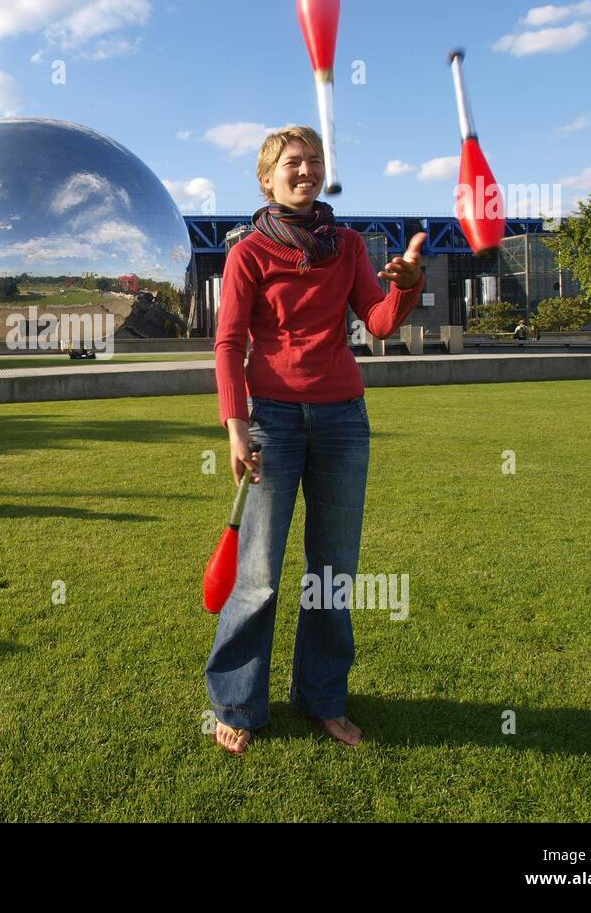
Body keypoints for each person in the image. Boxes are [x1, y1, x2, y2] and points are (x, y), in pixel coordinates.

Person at [207, 126, 425, 755]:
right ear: (267, 178)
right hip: (271, 420)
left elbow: (378, 323)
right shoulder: (248, 253)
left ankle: (323, 698)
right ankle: (238, 702)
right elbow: (229, 344)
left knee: (333, 571)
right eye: (292, 163)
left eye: (315, 161)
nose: (306, 170)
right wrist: (236, 427)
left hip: (341, 419)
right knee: (259, 575)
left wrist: (405, 284)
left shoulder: (349, 244)